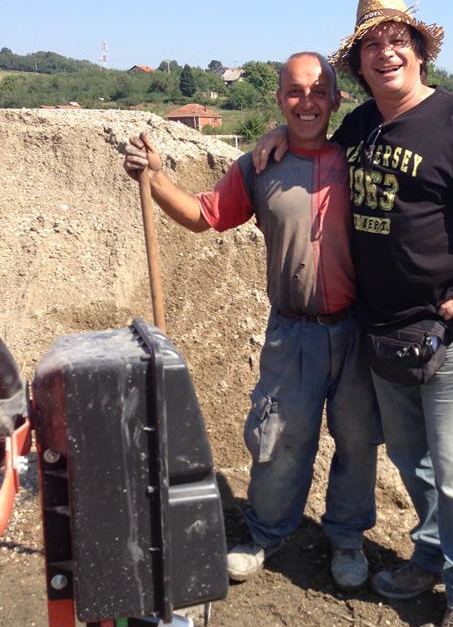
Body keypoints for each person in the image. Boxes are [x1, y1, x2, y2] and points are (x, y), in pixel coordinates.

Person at [255, 0, 453, 627]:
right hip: (382, 330)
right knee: (412, 459)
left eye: (397, 41)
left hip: (449, 328)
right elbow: (311, 140)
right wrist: (276, 135)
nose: (385, 53)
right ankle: (432, 555)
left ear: (419, 52)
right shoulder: (362, 126)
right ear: (359, 66)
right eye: (372, 46)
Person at [123, 52, 380, 591]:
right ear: (279, 98)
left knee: (357, 441)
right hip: (293, 331)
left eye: (318, 91)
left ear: (337, 99)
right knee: (279, 437)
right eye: (294, 91)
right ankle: (266, 533)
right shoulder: (259, 167)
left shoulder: (358, 161)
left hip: (358, 329)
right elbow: (202, 216)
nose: (307, 102)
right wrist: (156, 178)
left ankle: (347, 538)